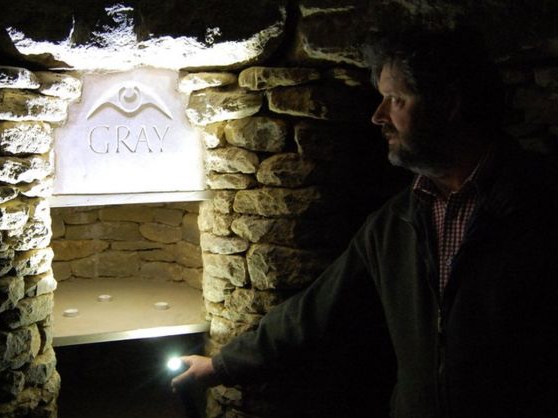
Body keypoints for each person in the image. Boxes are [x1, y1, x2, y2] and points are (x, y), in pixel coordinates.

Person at [171, 28, 558, 417]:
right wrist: (221, 365)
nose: (378, 116)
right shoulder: (396, 221)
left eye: (396, 100)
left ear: (448, 103)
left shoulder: (539, 206)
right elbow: (316, 309)